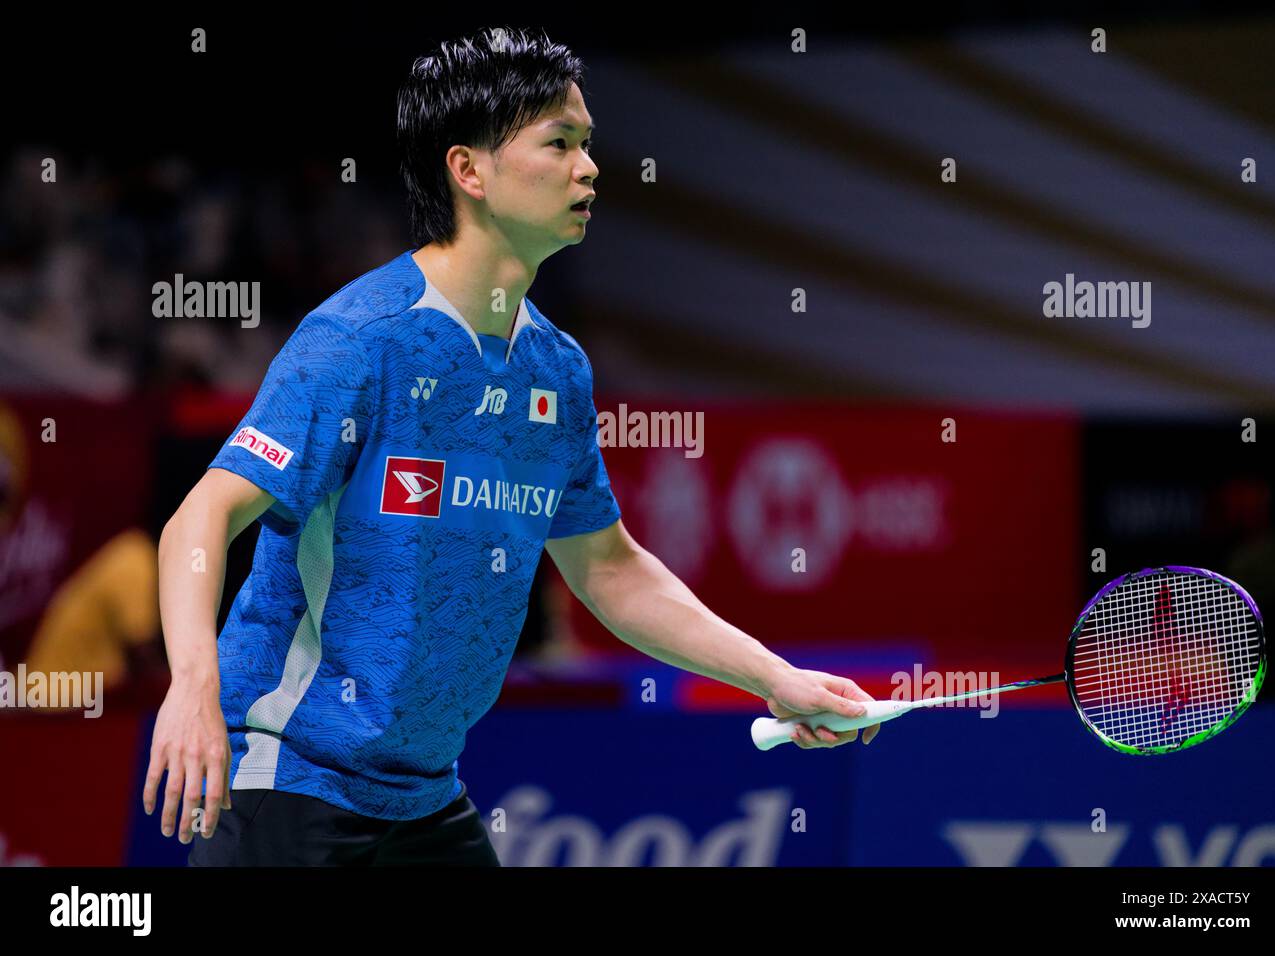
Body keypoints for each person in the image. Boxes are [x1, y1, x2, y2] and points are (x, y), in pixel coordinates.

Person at [143, 25, 880, 867]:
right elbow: (201, 517)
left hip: (425, 798)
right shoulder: (361, 340)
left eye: (588, 144)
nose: (589, 167)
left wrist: (775, 679)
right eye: (558, 143)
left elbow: (607, 567)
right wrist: (193, 689)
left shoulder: (555, 369)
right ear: (470, 171)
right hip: (288, 786)